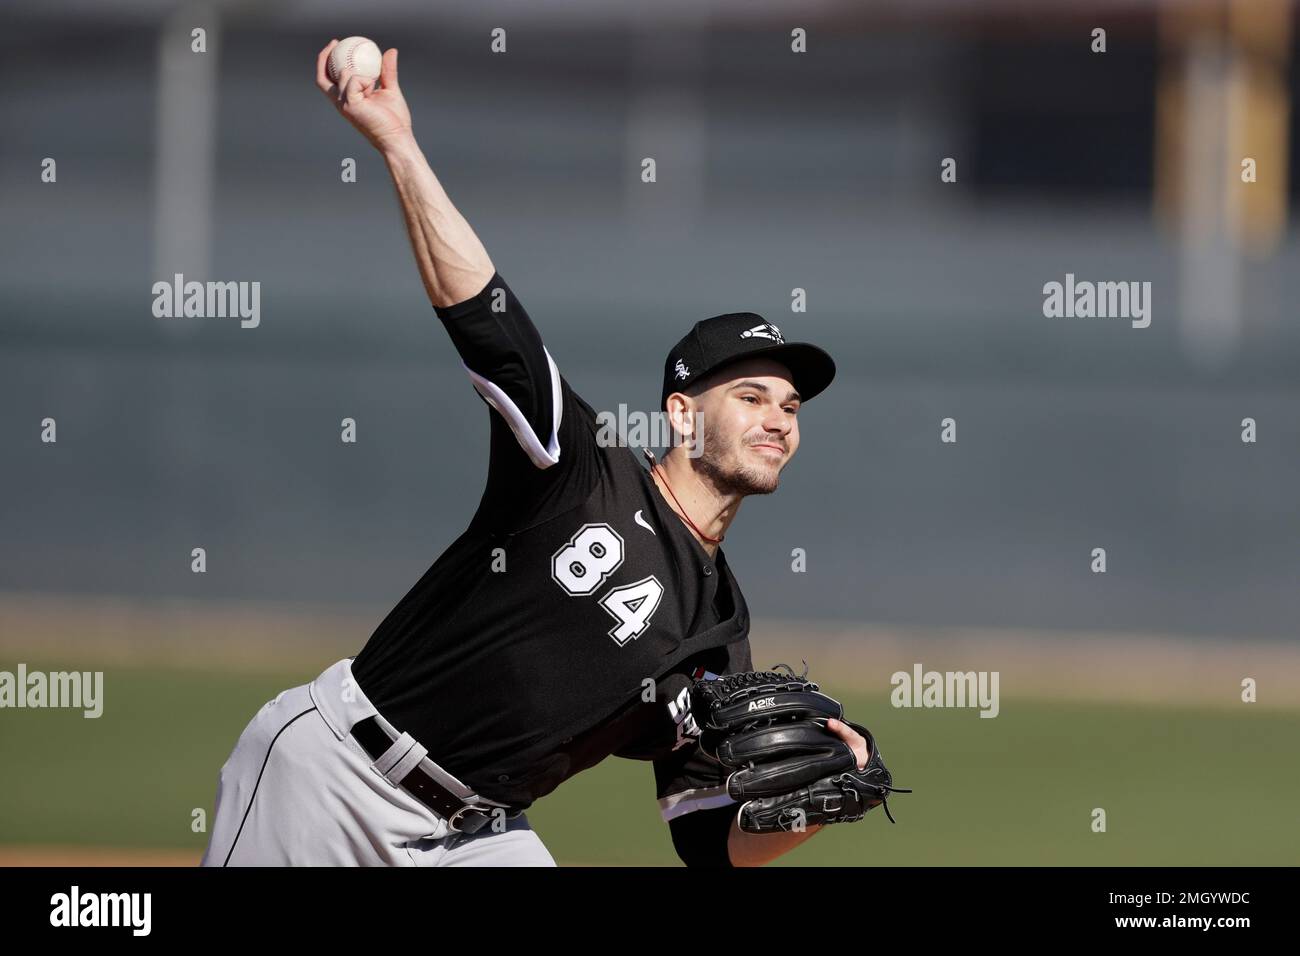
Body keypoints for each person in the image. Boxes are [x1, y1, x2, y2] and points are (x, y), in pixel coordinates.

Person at [199, 40, 862, 868]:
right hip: (338, 774)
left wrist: (815, 807)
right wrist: (398, 144)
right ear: (683, 413)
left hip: (477, 834)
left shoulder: (718, 628)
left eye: (792, 406)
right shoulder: (579, 469)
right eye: (753, 398)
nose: (779, 420)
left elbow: (704, 843)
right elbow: (485, 314)